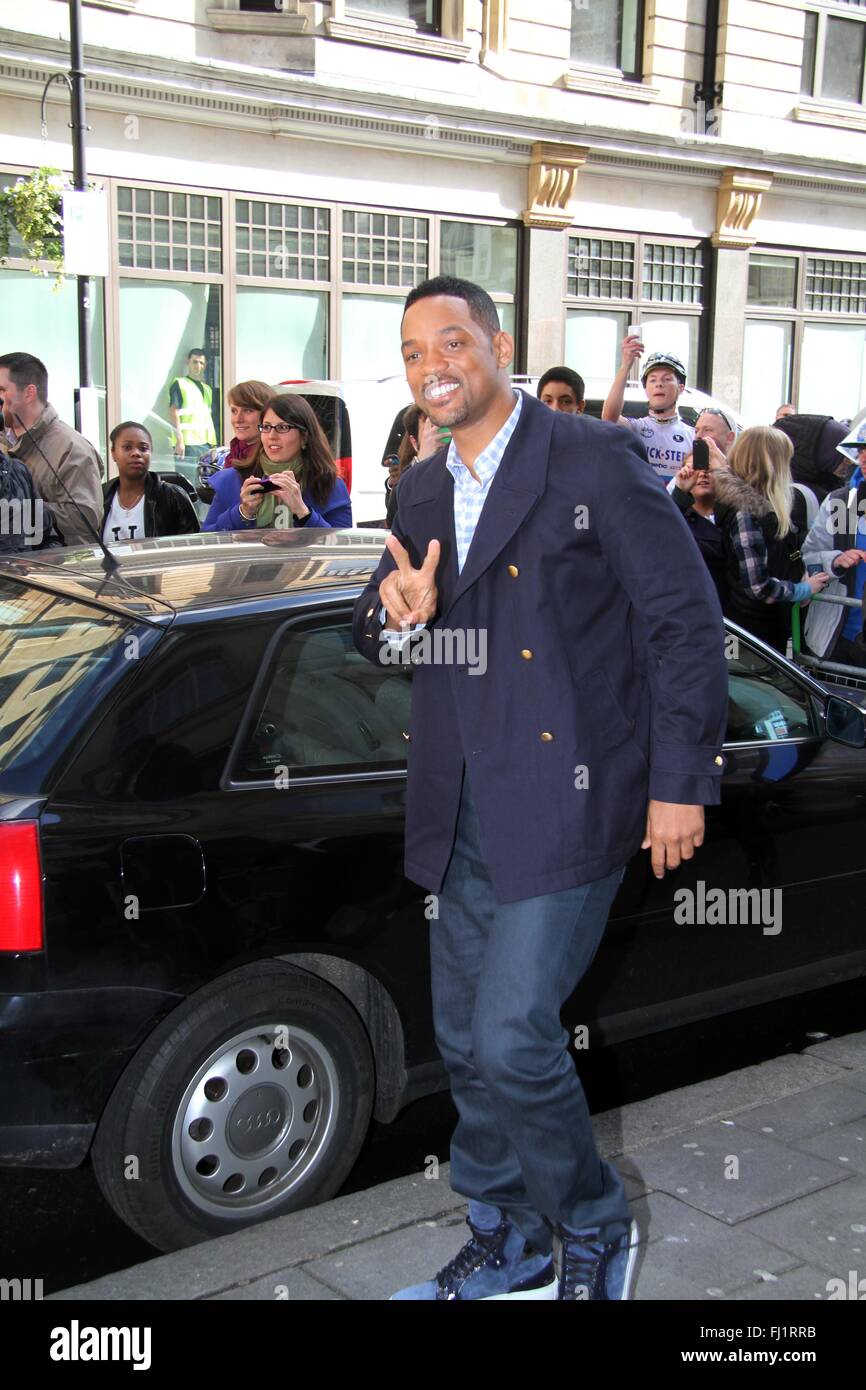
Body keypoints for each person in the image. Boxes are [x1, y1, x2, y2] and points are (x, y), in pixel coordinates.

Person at [352, 275, 729, 1301]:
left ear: (497, 343)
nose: (432, 364)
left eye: (452, 341)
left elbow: (682, 625)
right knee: (467, 1045)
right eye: (413, 349)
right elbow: (375, 625)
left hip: (567, 798)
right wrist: (400, 617)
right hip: (457, 804)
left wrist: (679, 781)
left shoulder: (589, 456)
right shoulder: (421, 486)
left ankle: (594, 1222)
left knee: (516, 1032)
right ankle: (508, 1230)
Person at [713, 425, 829, 653]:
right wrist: (802, 589)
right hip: (755, 635)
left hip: (760, 630)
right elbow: (758, 586)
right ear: (772, 464)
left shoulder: (756, 506)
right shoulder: (745, 513)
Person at [202, 393, 351, 532]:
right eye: (266, 427)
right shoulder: (232, 480)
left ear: (304, 436)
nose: (272, 436)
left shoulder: (329, 485)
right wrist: (243, 512)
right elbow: (206, 539)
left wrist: (302, 512)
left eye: (282, 427)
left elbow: (341, 548)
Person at [0, 351, 103, 545]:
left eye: (1, 390)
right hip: (12, 567)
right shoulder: (4, 442)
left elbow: (85, 517)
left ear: (29, 393)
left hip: (61, 569)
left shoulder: (72, 447)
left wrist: (24, 507)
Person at [801, 424, 866, 668]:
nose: (864, 458)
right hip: (838, 637)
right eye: (860, 450)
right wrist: (835, 560)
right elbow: (809, 557)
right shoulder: (843, 502)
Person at [601, 338, 694, 484]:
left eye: (667, 379)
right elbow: (608, 419)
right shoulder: (635, 427)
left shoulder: (693, 436)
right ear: (646, 390)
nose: (659, 384)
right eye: (652, 380)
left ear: (681, 388)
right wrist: (625, 366)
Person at [102, 422, 200, 544]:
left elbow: (192, 549)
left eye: (143, 448)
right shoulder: (100, 497)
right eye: (127, 447)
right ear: (113, 453)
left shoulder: (173, 497)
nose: (136, 453)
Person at [195, 379, 272, 503]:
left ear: (267, 415)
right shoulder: (232, 456)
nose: (238, 419)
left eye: (248, 410)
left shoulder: (273, 460)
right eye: (234, 411)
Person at [773, 412, 851, 506]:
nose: (851, 462)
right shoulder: (800, 498)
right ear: (821, 453)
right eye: (844, 457)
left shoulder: (833, 487)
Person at [385, 405, 440, 528]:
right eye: (430, 430)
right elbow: (395, 523)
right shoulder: (407, 482)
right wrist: (423, 462)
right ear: (414, 443)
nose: (438, 436)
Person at [169, 349, 217, 462]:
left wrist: (214, 445)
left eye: (201, 363)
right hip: (187, 444)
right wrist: (179, 440)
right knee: (187, 479)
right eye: (195, 362)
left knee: (204, 479)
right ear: (188, 362)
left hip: (206, 444)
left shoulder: (207, 389)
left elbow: (208, 419)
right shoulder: (180, 384)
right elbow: (173, 412)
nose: (198, 366)